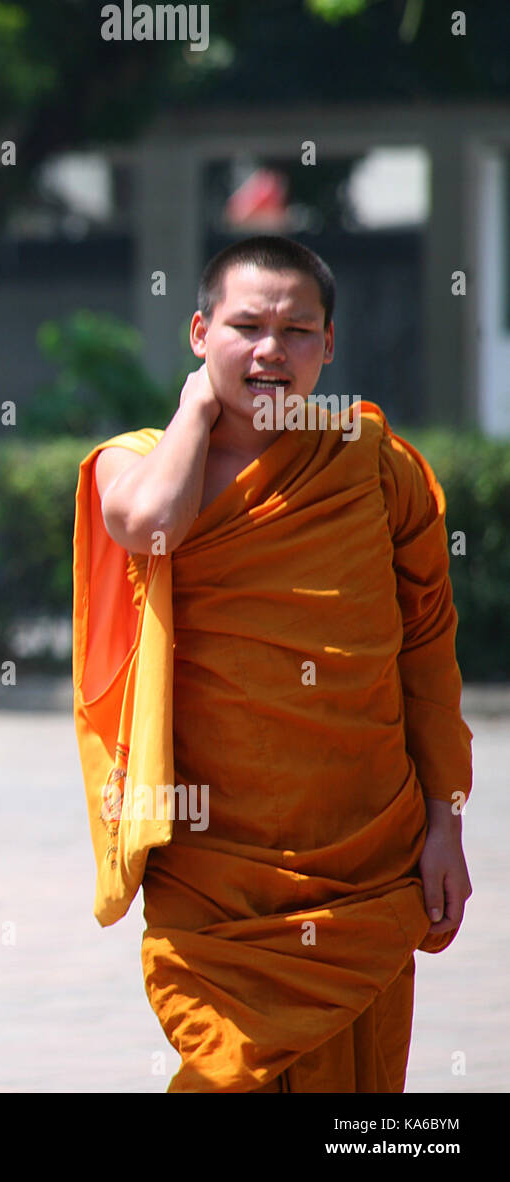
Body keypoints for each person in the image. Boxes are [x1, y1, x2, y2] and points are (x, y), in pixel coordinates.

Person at [71, 235, 473, 1093]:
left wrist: (447, 823)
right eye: (246, 325)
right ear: (199, 331)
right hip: (213, 862)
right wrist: (194, 415)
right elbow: (148, 527)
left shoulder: (373, 465)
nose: (270, 351)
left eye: (298, 330)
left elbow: (429, 653)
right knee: (223, 1069)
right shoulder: (135, 457)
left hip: (362, 853)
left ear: (328, 345)